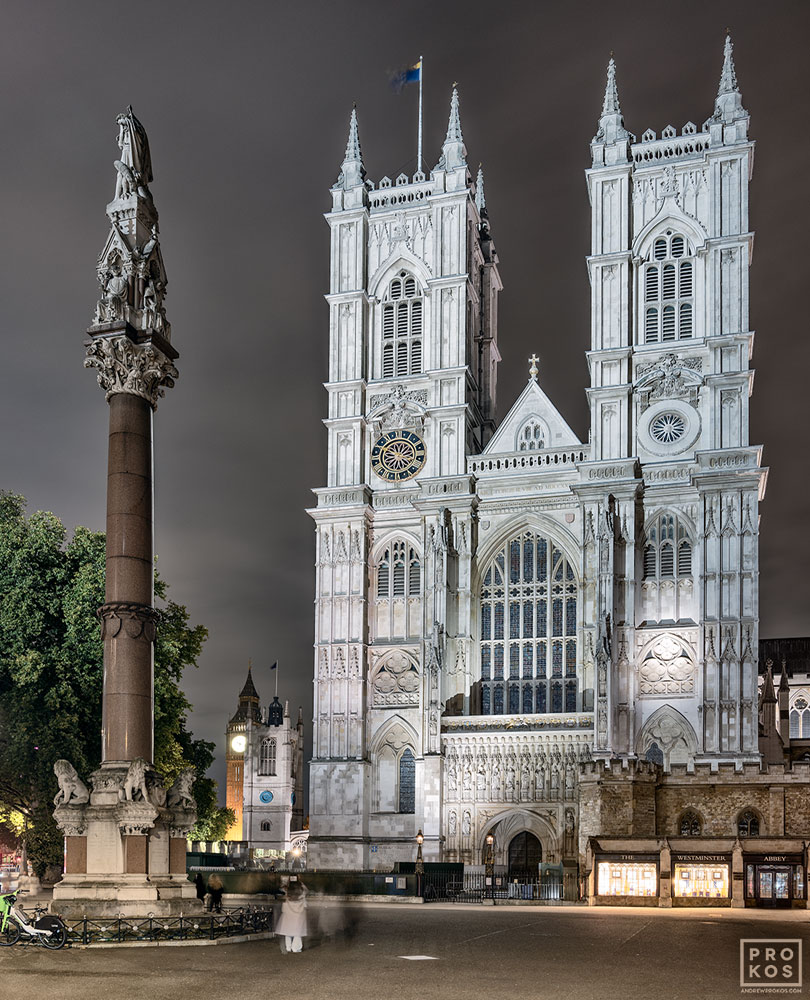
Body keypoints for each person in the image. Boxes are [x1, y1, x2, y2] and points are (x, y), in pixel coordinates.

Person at [275, 879, 307, 953]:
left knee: (288, 932)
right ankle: (295, 948)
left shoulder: (288, 896)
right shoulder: (302, 896)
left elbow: (284, 908)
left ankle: (288, 947)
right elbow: (305, 904)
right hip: (298, 916)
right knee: (297, 932)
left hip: (288, 916)